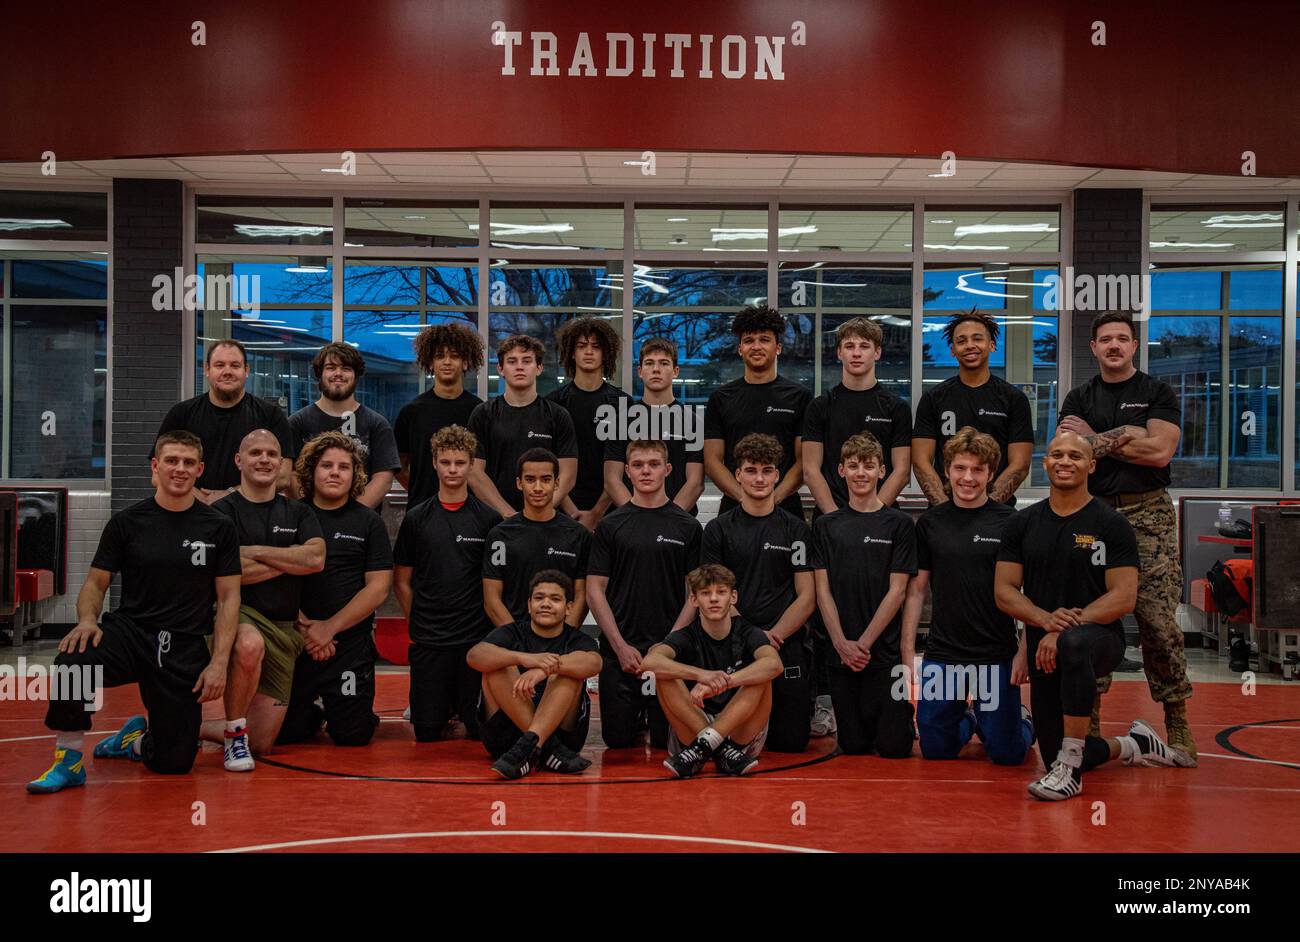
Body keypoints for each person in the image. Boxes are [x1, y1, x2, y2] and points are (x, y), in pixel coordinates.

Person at [28, 432, 242, 793]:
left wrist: (219, 660)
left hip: (184, 645)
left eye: (189, 462)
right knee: (72, 660)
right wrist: (86, 620)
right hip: (131, 632)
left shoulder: (218, 527)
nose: (180, 469)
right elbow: (96, 584)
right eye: (172, 461)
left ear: (200, 470)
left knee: (175, 765)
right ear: (155, 468)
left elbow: (228, 598)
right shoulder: (127, 523)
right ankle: (69, 760)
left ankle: (134, 742)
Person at [994, 430, 1189, 802]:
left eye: (1075, 456)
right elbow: (1004, 591)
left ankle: (1071, 768)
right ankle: (1132, 744)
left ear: (1092, 465)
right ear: (1046, 462)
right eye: (1057, 455)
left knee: (1073, 642)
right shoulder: (1022, 523)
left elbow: (1124, 597)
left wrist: (1065, 624)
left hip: (1098, 638)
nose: (1065, 462)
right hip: (1042, 641)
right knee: (1047, 753)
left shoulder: (1110, 523)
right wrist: (1045, 621)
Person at [1058, 310, 1195, 760]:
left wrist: (1098, 438)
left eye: (1122, 338)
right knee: (1091, 617)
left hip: (1149, 515)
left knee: (1157, 623)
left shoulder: (1157, 392)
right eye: (1105, 339)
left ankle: (1176, 723)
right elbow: (1072, 454)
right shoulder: (1079, 396)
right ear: (1093, 347)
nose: (1114, 346)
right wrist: (1126, 434)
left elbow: (1159, 452)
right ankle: (1090, 722)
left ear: (1134, 345)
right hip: (1093, 518)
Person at [902, 427, 1033, 765]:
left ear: (991, 474)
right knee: (935, 750)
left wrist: (1024, 650)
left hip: (996, 653)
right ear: (947, 470)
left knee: (1007, 755)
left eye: (978, 470)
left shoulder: (1010, 523)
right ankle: (971, 720)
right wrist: (907, 654)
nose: (968, 478)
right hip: (945, 653)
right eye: (960, 468)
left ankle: (1022, 722)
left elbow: (1028, 592)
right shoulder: (930, 523)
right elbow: (917, 591)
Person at [200, 430, 326, 768]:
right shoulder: (220, 513)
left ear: (282, 463)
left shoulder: (299, 513)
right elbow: (225, 573)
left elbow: (315, 559)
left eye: (272, 454)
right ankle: (234, 735)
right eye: (255, 453)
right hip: (238, 615)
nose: (264, 459)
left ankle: (188, 728)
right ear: (239, 461)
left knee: (263, 743)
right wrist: (290, 561)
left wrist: (253, 552)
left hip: (284, 629)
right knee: (250, 644)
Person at [699, 433, 816, 753]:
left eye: (767, 470)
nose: (759, 478)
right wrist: (752, 636)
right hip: (733, 642)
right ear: (737, 475)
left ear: (778, 475)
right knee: (734, 737)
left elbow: (807, 595)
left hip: (784, 642)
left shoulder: (795, 529)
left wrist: (772, 636)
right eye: (751, 470)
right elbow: (713, 595)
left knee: (790, 744)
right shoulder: (718, 530)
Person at [278, 432, 393, 747]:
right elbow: (275, 580)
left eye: (344, 467)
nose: (334, 472)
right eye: (326, 465)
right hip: (296, 639)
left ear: (355, 474)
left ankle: (351, 711)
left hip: (347, 645)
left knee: (353, 736)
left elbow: (379, 588)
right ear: (312, 471)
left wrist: (330, 628)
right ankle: (311, 714)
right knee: (288, 733)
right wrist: (305, 628)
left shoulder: (368, 522)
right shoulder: (290, 516)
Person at [587, 439, 702, 750]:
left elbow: (696, 594)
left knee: (670, 743)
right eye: (638, 465)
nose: (646, 471)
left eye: (653, 464)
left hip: (668, 651)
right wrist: (619, 646)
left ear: (667, 469)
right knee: (618, 741)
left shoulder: (688, 526)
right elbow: (595, 589)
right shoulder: (611, 526)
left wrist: (668, 646)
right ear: (627, 471)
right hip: (621, 651)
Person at [394, 424, 502, 742]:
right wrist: (419, 622)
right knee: (427, 732)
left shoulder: (488, 520)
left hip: (474, 638)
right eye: (445, 462)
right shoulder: (416, 518)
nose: (452, 469)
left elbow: (495, 584)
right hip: (430, 639)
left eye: (459, 462)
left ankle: (464, 708)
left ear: (471, 465)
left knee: (479, 731)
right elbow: (402, 581)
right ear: (434, 464)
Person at [811, 433, 916, 757]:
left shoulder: (898, 524)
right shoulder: (826, 526)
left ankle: (902, 720)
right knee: (853, 746)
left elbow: (897, 592)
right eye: (853, 466)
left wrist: (864, 645)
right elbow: (822, 591)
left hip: (882, 655)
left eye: (868, 466)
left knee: (896, 748)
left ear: (882, 471)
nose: (861, 473)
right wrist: (842, 644)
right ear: (841, 471)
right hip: (840, 655)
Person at [642, 564, 783, 778]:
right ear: (694, 600)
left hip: (739, 730)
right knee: (663, 673)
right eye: (706, 593)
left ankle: (705, 746)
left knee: (762, 674)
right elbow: (649, 663)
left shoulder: (748, 632)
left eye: (721, 592)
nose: (714, 599)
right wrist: (702, 675)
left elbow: (774, 665)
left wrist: (724, 682)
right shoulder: (686, 635)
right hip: (693, 726)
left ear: (733, 597)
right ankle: (719, 750)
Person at [467, 570, 602, 779]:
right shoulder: (512, 632)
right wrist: (524, 658)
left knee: (568, 671)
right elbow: (474, 656)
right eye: (539, 598)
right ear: (529, 605)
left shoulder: (577, 639)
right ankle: (547, 748)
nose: (546, 603)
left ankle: (529, 748)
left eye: (555, 599)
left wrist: (545, 669)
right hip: (506, 741)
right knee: (497, 665)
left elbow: (594, 662)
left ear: (568, 608)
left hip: (563, 733)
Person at [912, 309, 1033, 507]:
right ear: (952, 350)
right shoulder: (933, 398)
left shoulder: (1014, 399)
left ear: (991, 345)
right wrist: (945, 508)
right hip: (945, 513)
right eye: (961, 341)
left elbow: (1020, 465)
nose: (970, 346)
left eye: (977, 339)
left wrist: (988, 509)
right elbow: (920, 461)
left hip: (998, 513)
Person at [703, 305, 812, 518]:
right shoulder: (721, 398)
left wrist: (774, 499)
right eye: (749, 340)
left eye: (764, 339)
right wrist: (745, 499)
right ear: (740, 349)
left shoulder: (800, 397)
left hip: (785, 508)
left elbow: (804, 461)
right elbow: (712, 461)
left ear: (778, 347)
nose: (756, 346)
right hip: (734, 508)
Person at [157, 339, 295, 501]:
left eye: (235, 366)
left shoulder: (271, 416)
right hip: (192, 512)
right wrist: (199, 497)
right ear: (207, 369)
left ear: (246, 370)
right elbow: (157, 473)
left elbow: (283, 477)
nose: (227, 371)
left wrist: (229, 495)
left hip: (249, 514)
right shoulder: (181, 414)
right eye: (220, 365)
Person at [803, 317, 912, 511]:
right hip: (831, 515)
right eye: (849, 346)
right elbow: (811, 470)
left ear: (877, 352)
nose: (856, 353)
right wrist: (834, 517)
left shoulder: (896, 408)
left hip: (882, 518)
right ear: (839, 352)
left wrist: (873, 513)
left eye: (864, 346)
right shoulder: (820, 406)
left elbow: (902, 471)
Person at [468, 334, 578, 514]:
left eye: (527, 361)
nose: (519, 367)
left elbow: (567, 475)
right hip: (496, 520)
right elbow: (475, 473)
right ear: (501, 369)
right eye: (512, 361)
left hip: (546, 520)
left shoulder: (558, 415)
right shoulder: (483, 414)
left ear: (539, 368)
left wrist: (541, 511)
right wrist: (509, 515)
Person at [482, 448, 591, 629]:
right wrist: (517, 641)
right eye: (530, 479)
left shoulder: (579, 535)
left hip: (562, 645)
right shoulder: (499, 536)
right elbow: (492, 601)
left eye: (546, 480)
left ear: (556, 483)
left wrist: (563, 639)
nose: (538, 488)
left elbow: (582, 598)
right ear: (519, 483)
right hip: (513, 645)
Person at [288, 342, 400, 509]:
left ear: (356, 375)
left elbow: (383, 479)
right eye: (331, 367)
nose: (338, 374)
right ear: (320, 373)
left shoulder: (377, 424)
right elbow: (290, 475)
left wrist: (350, 518)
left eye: (346, 368)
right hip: (308, 525)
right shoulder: (297, 423)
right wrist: (313, 516)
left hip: (360, 528)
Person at [602, 337, 705, 515]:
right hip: (631, 522)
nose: (656, 369)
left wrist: (669, 519)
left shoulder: (693, 422)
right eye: (649, 363)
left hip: (677, 522)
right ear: (640, 371)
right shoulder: (620, 421)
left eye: (664, 363)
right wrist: (637, 516)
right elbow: (612, 480)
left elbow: (695, 482)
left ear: (676, 371)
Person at [547, 316, 627, 531]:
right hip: (560, 506)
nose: (589, 351)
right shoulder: (553, 403)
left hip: (611, 510)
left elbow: (622, 466)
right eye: (582, 346)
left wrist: (596, 513)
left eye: (596, 346)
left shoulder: (623, 404)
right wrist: (571, 510)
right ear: (571, 353)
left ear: (606, 353)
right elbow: (549, 461)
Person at [394, 322, 486, 508]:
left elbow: (485, 469)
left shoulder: (480, 411)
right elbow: (399, 466)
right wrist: (421, 491)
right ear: (430, 362)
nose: (447, 362)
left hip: (471, 511)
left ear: (466, 362)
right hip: (422, 509)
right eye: (439, 356)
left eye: (454, 356)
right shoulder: (412, 412)